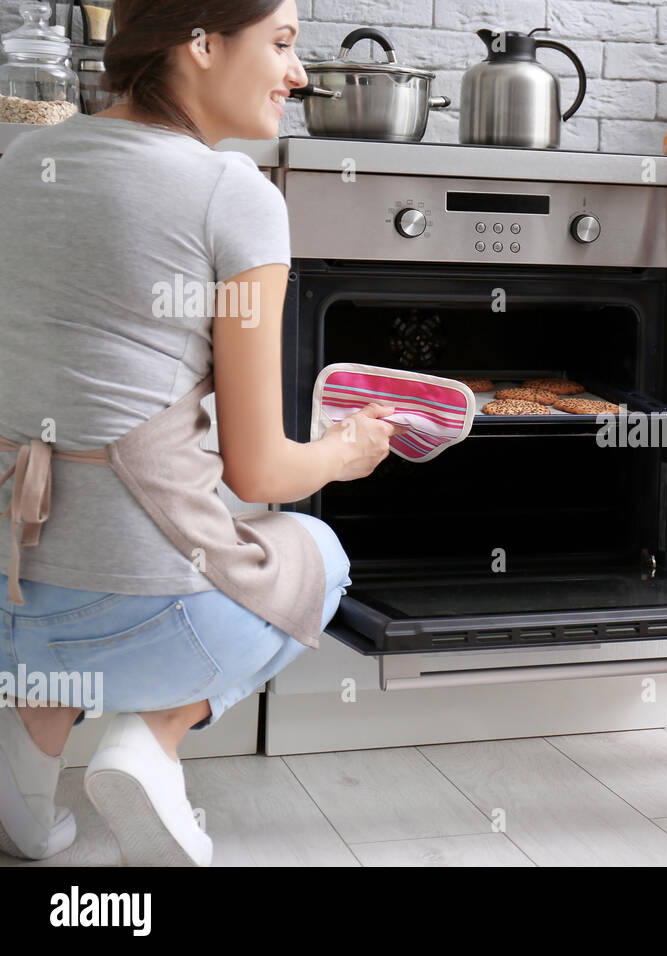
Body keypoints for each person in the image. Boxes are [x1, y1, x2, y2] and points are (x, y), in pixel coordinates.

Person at [0, 0, 402, 866]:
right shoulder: (236, 196)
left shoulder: (23, 158)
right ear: (203, 42)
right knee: (320, 553)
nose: (298, 75)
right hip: (139, 621)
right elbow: (262, 473)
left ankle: (27, 772)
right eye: (284, 44)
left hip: (8, 606)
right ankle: (151, 740)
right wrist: (349, 448)